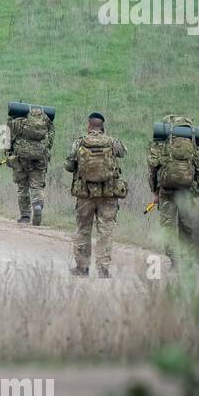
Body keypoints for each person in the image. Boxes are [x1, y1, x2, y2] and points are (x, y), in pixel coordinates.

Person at [63, 111, 127, 278]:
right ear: (102, 127)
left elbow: (69, 165)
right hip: (108, 194)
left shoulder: (79, 142)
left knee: (83, 229)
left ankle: (82, 268)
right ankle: (103, 269)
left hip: (85, 194)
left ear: (89, 125)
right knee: (105, 231)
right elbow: (123, 153)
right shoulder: (113, 142)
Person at [147, 113, 199, 269]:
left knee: (167, 227)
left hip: (166, 191)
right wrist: (197, 190)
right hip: (188, 193)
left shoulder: (163, 144)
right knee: (187, 228)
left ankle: (174, 262)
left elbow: (153, 168)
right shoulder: (194, 145)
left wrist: (154, 191)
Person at [5, 105, 54, 225]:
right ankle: (37, 205)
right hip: (39, 160)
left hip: (20, 160)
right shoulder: (46, 123)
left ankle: (25, 216)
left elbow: (7, 140)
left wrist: (8, 155)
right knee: (37, 186)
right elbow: (50, 141)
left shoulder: (16, 122)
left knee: (22, 188)